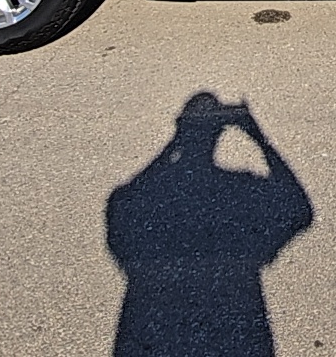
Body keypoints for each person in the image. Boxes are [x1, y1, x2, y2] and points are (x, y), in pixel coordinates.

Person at [107, 92, 314, 357]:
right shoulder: (238, 189)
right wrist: (258, 136)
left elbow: (128, 198)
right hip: (237, 324)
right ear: (218, 135)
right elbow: (300, 209)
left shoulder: (137, 197)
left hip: (150, 329)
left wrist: (176, 142)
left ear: (180, 129)